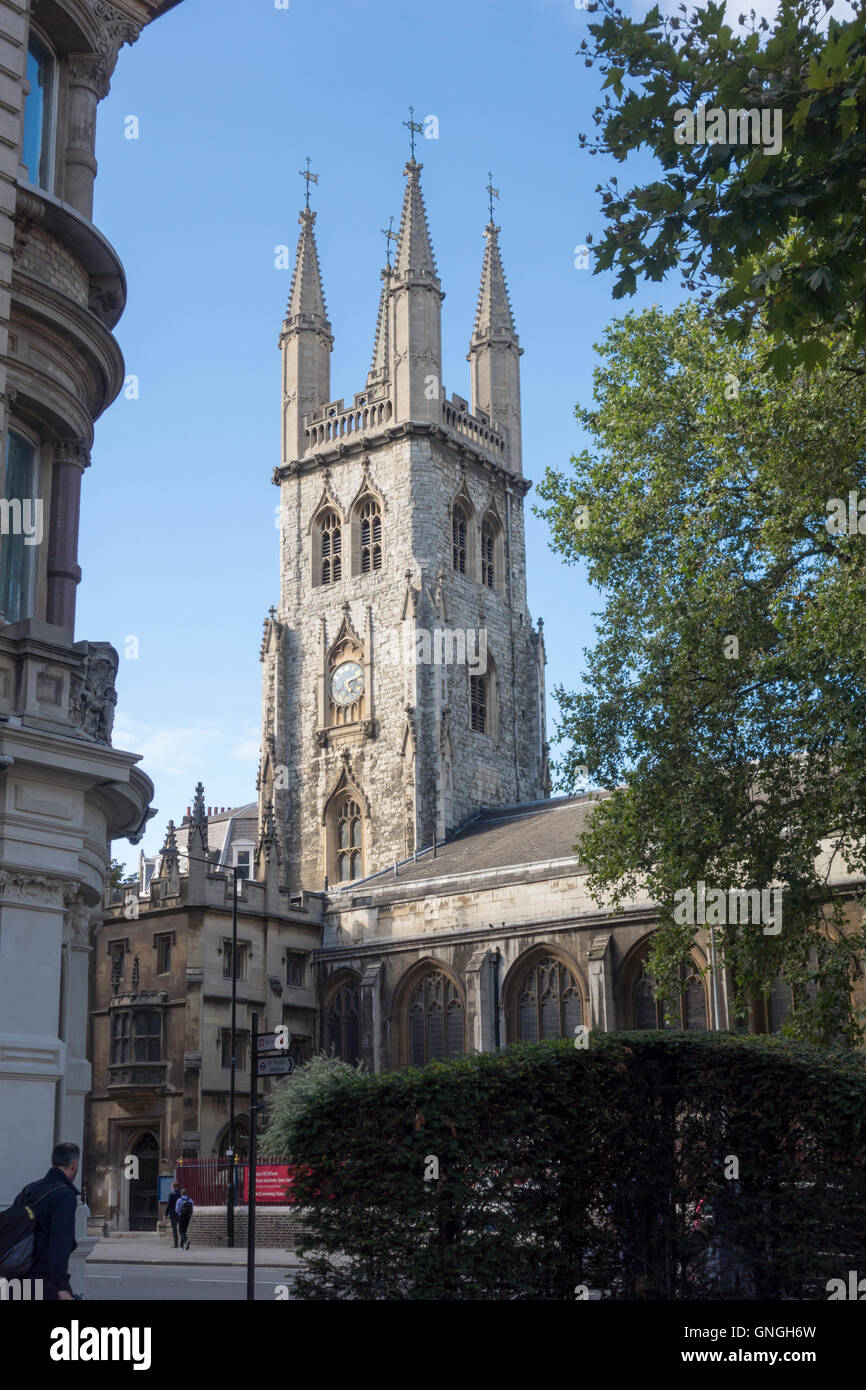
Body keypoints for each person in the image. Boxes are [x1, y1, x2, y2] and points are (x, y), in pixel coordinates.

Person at [18, 1141, 81, 1300]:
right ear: (74, 1165)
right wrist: (62, 1287)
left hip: (18, 1278)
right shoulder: (64, 1196)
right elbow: (60, 1243)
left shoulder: (29, 1190)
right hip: (46, 1281)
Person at [165, 1180, 181, 1248]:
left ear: (173, 1187)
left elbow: (169, 1205)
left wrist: (165, 1214)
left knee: (174, 1229)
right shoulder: (180, 1194)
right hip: (180, 1214)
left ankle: (176, 1244)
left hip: (173, 1214)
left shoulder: (171, 1195)